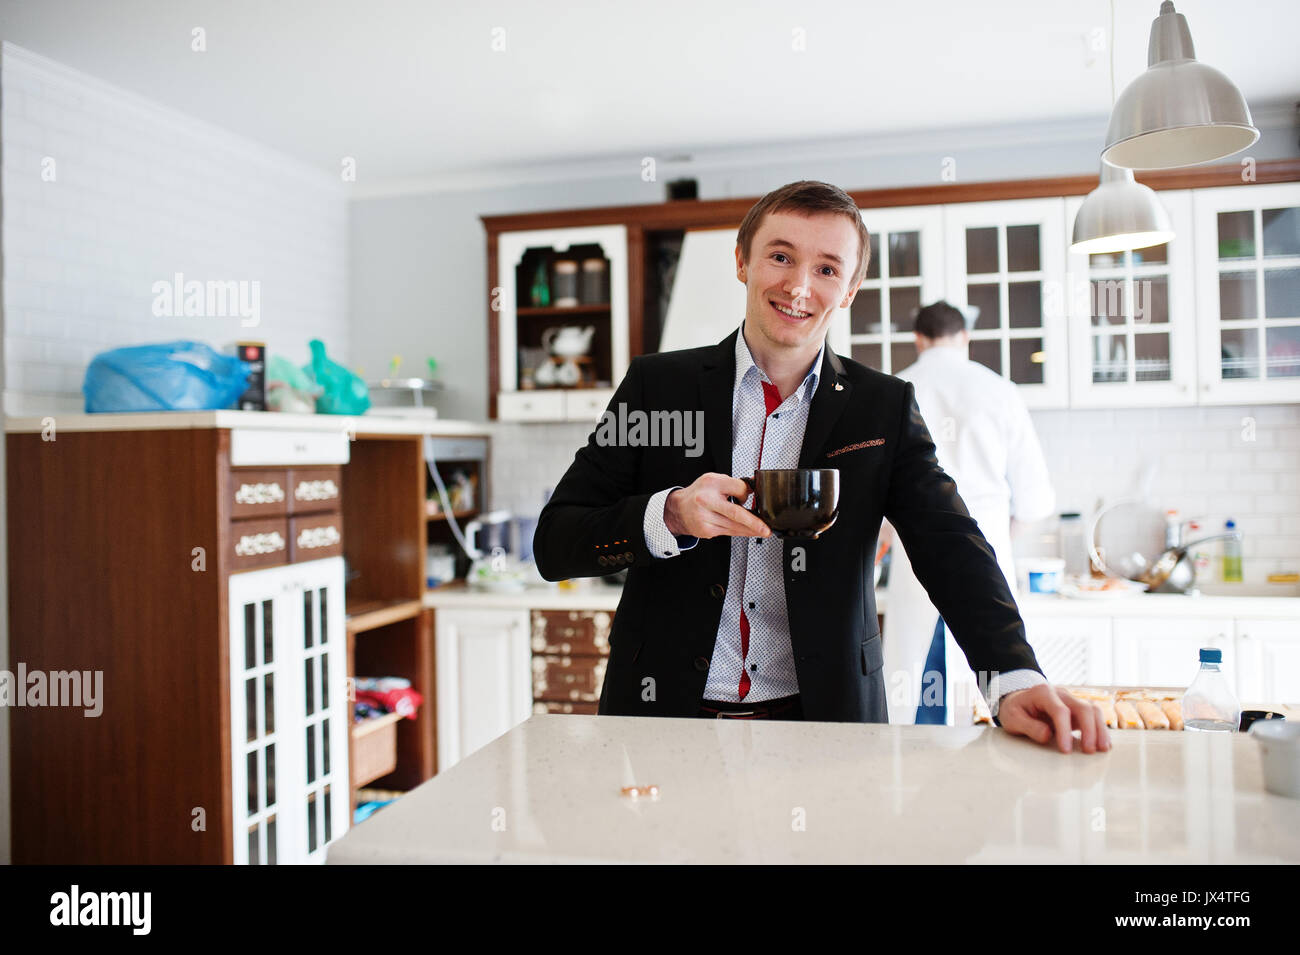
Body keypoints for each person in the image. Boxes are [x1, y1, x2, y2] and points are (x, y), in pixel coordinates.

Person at [533, 180, 1108, 754]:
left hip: (826, 727)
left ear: (852, 288)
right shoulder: (658, 387)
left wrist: (1011, 678)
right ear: (743, 262)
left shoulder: (881, 406)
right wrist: (672, 514)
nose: (799, 286)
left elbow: (949, 543)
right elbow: (556, 541)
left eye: (828, 269)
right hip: (661, 723)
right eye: (780, 256)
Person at [882, 301, 1056, 726]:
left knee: (912, 692)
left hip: (913, 555)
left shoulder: (895, 389)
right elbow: (1035, 500)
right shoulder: (1000, 390)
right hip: (988, 549)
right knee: (993, 690)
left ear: (919, 340)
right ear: (965, 339)